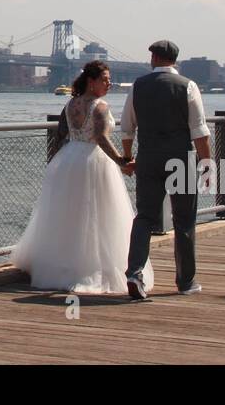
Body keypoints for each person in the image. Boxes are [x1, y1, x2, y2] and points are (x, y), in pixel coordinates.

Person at [12, 60, 153, 296]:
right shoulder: (100, 106)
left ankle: (61, 267)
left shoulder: (70, 104)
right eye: (105, 79)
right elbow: (100, 138)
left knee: (68, 215)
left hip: (69, 159)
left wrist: (55, 163)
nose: (109, 83)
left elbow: (60, 135)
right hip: (93, 161)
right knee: (99, 215)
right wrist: (121, 161)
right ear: (91, 81)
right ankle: (93, 268)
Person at [120, 39, 211, 300]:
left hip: (148, 158)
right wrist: (206, 164)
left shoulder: (138, 86)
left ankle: (134, 273)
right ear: (174, 59)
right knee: (184, 220)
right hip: (180, 159)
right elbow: (199, 131)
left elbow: (127, 128)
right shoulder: (188, 86)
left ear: (155, 58)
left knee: (144, 218)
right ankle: (186, 281)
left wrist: (128, 157)